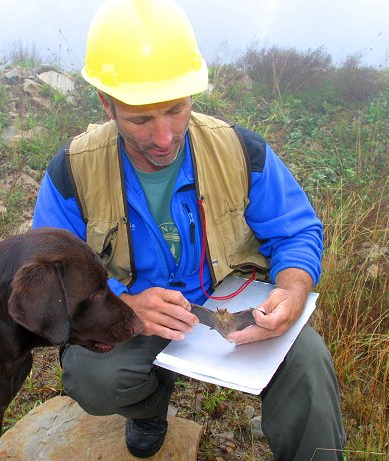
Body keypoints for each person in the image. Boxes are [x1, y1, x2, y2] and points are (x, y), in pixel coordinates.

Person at [32, 0, 345, 458]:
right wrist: (123, 303)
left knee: (309, 362)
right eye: (141, 118)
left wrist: (294, 289)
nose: (163, 138)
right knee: (93, 378)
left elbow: (296, 232)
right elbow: (48, 272)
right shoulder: (72, 172)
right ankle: (150, 408)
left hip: (227, 304)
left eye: (176, 110)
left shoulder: (240, 151)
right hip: (134, 314)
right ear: (107, 102)